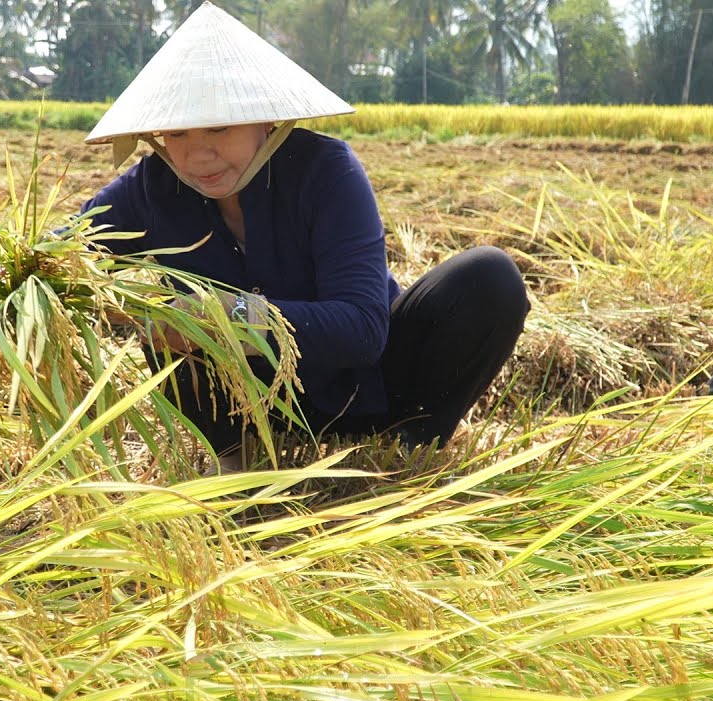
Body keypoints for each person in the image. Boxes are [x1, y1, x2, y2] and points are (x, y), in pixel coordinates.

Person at [80, 2, 529, 470]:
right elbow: (67, 251)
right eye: (177, 135)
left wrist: (226, 316)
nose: (197, 156)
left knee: (489, 276)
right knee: (165, 311)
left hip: (369, 386)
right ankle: (236, 459)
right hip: (249, 406)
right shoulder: (150, 187)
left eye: (219, 127)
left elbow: (363, 329)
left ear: (266, 119)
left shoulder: (326, 172)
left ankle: (412, 443)